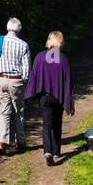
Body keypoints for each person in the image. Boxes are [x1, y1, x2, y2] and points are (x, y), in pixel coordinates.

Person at [25, 30, 74, 166]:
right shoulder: (63, 60)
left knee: (47, 124)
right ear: (61, 42)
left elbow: (33, 76)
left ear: (49, 41)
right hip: (58, 98)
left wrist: (29, 95)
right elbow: (68, 82)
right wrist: (69, 103)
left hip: (45, 97)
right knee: (57, 123)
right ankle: (57, 150)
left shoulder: (40, 57)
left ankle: (48, 151)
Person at [0, 18, 31, 155]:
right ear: (19, 30)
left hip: (1, 79)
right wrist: (25, 82)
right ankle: (20, 141)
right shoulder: (23, 45)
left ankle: (1, 142)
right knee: (19, 111)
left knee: (3, 112)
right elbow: (26, 69)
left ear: (8, 28)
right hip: (16, 81)